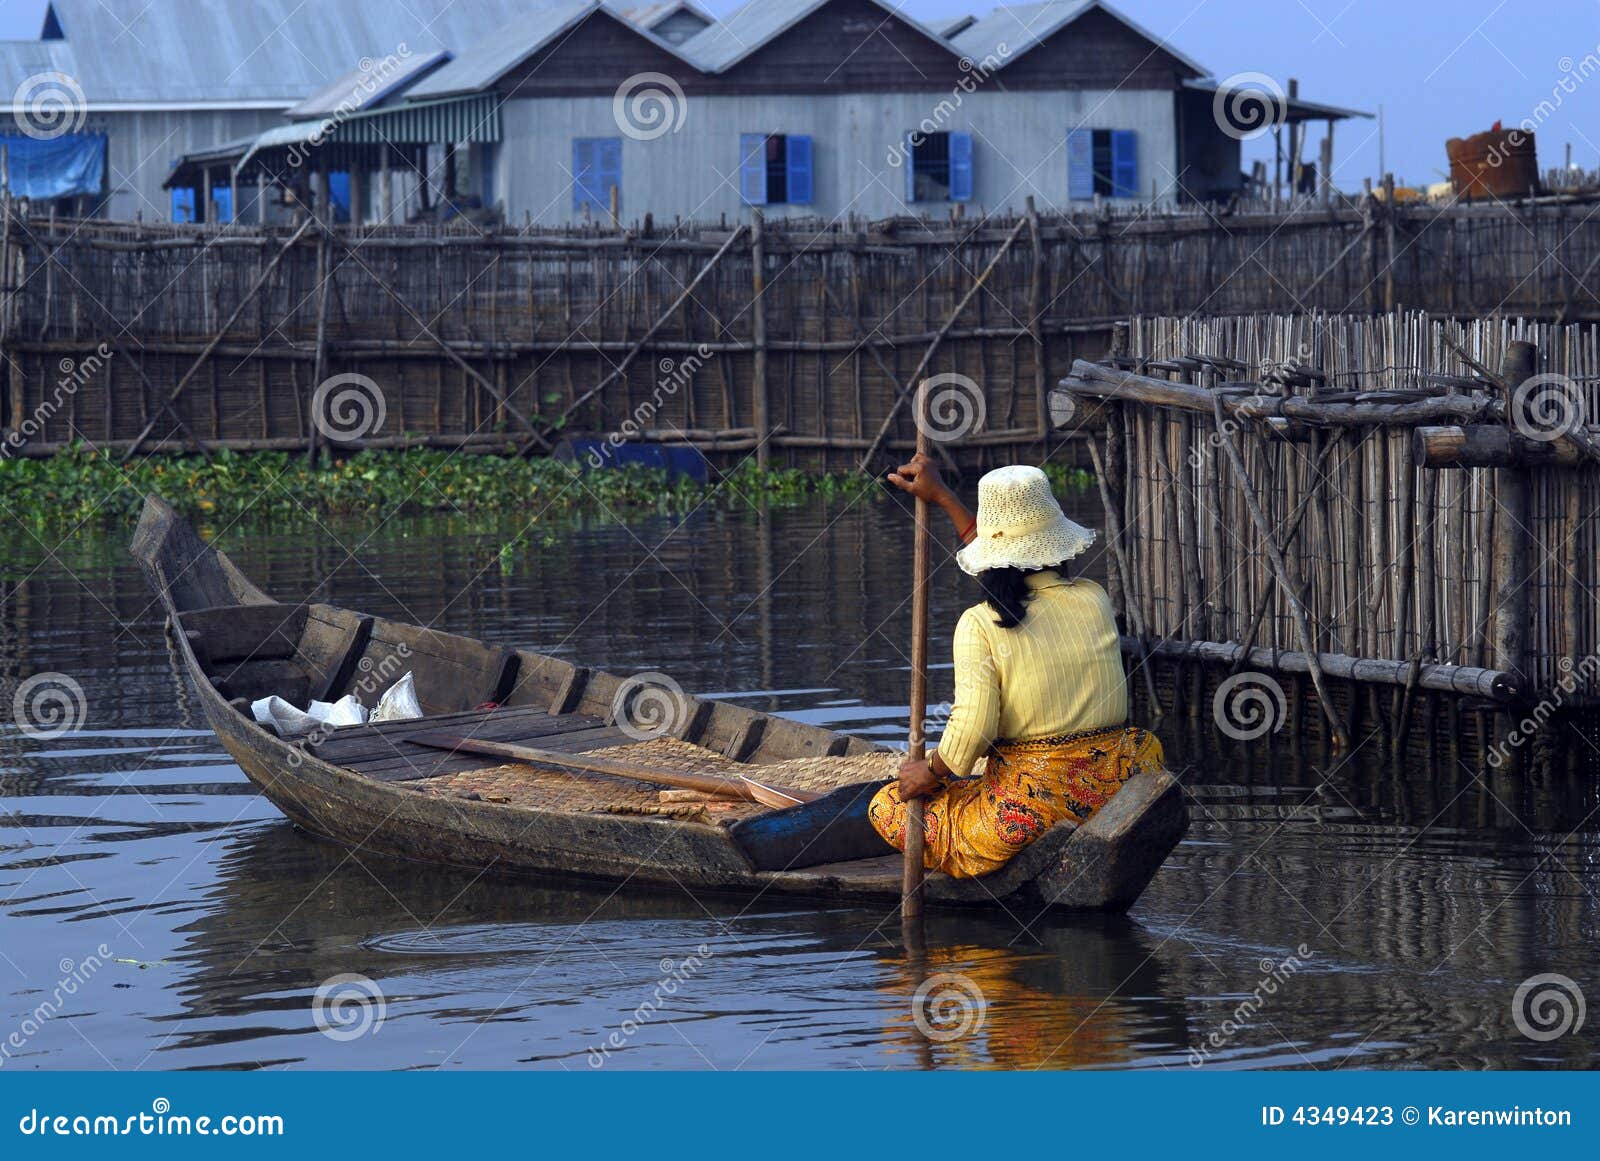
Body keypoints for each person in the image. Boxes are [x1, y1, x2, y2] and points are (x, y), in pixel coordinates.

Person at [870, 456, 1164, 879]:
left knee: (885, 805)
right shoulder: (1093, 597)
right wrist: (944, 498)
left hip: (1035, 808)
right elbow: (1012, 582)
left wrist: (930, 772)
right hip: (1117, 782)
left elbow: (974, 727)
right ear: (1055, 542)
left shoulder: (979, 623)